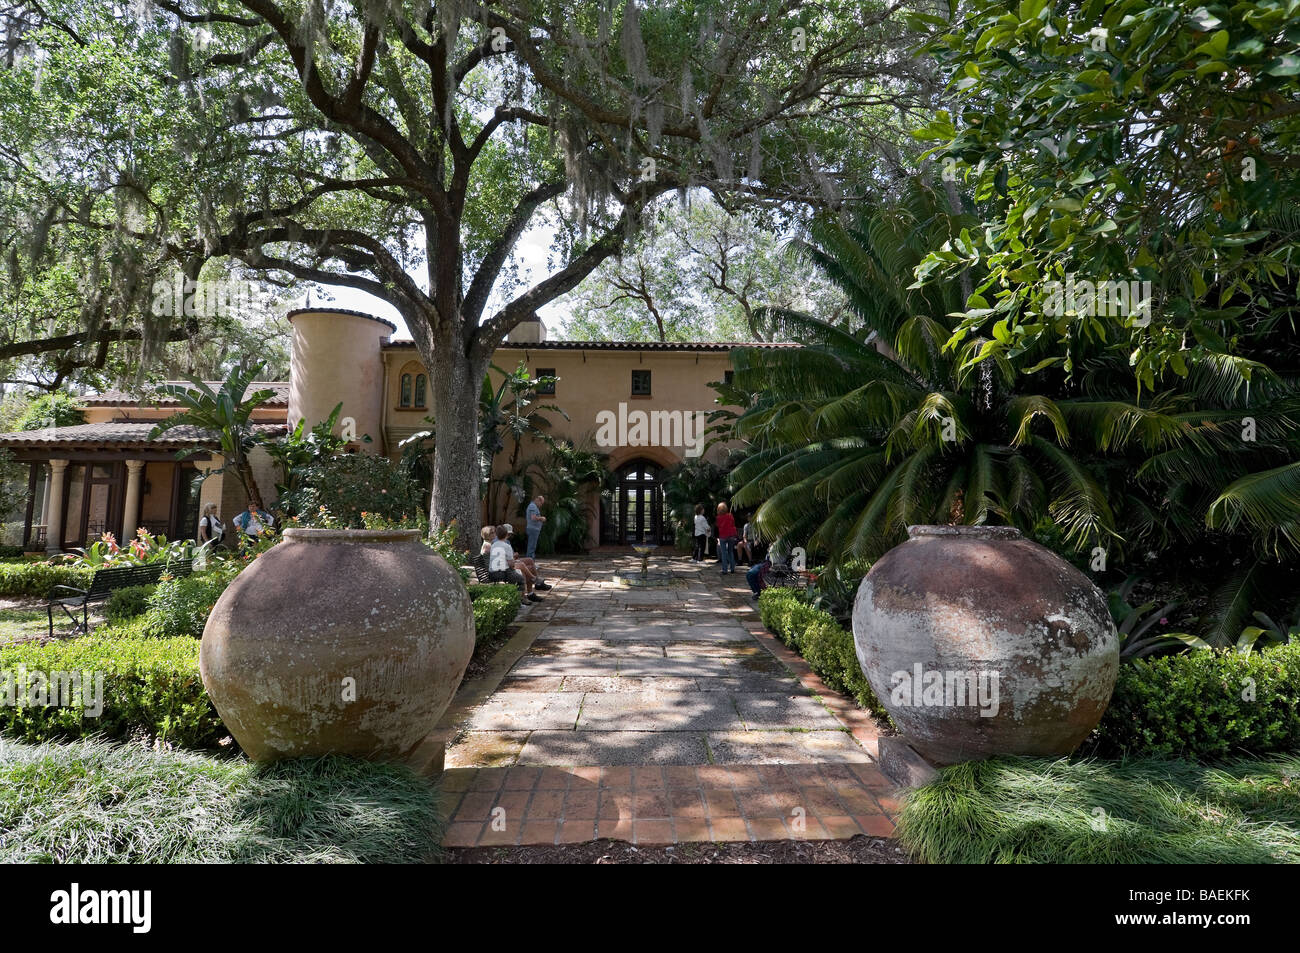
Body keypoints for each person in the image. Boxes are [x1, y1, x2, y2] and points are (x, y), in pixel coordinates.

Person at [488, 524, 542, 603]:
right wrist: (515, 562)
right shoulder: (506, 546)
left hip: (492, 573)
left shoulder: (493, 545)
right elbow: (511, 565)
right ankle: (521, 599)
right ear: (506, 534)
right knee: (521, 578)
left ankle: (533, 580)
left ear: (497, 534)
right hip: (502, 573)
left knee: (522, 566)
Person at [504, 523, 550, 591]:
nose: (509, 535)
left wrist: (514, 555)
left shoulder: (507, 541)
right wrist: (513, 556)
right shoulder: (499, 542)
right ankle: (534, 584)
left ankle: (536, 585)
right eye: (508, 534)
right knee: (527, 568)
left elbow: (510, 554)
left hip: (511, 561)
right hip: (507, 564)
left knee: (530, 560)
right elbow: (505, 557)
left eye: (510, 534)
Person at [716, 502, 738, 575]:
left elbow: (718, 526)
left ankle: (724, 570)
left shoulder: (718, 517)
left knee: (724, 553)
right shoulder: (730, 515)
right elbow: (733, 523)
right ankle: (732, 568)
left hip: (722, 536)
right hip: (731, 535)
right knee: (730, 551)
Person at [525, 494, 546, 560]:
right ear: (538, 500)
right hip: (533, 529)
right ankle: (530, 562)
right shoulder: (533, 506)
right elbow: (533, 518)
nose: (541, 505)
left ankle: (531, 562)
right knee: (531, 547)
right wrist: (541, 518)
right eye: (541, 503)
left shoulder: (533, 506)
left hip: (534, 529)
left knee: (532, 546)